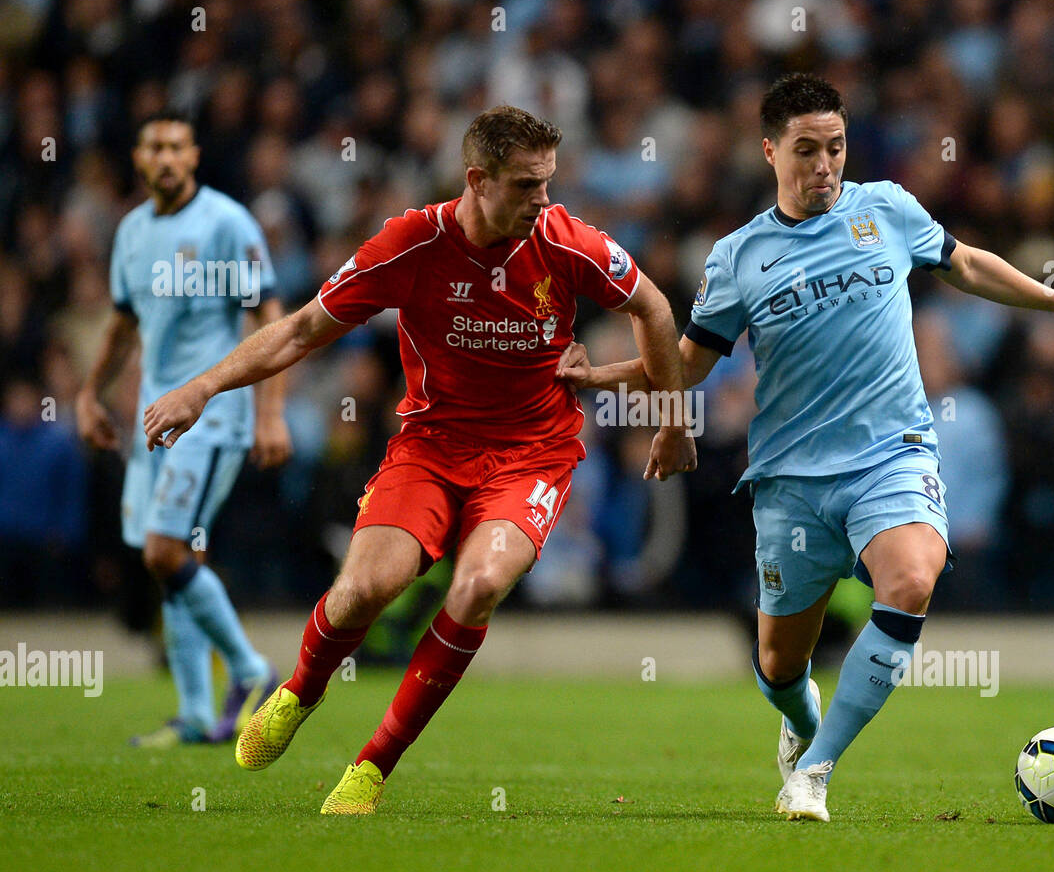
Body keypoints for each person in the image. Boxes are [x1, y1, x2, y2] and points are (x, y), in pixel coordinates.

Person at [561, 73, 1054, 821]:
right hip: (792, 480)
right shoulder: (738, 257)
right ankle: (800, 719)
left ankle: (815, 769)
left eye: (835, 147)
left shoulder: (887, 209)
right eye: (806, 150)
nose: (825, 165)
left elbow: (965, 262)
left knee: (909, 582)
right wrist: (595, 376)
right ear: (770, 151)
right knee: (778, 667)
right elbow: (686, 364)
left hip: (890, 457)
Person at [142, 105, 695, 814]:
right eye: (527, 186)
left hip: (531, 454)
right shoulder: (413, 242)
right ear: (478, 179)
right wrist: (202, 388)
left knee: (478, 585)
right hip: (430, 449)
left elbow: (653, 308)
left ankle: (371, 767)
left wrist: (673, 424)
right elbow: (304, 328)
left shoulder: (568, 242)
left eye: (548, 182)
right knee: (362, 592)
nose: (544, 201)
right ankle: (298, 692)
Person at [77, 110, 289, 747]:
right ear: (139, 160)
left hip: (210, 417)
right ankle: (197, 713)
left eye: (176, 146)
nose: (166, 157)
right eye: (153, 147)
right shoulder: (132, 232)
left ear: (194, 156)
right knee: (174, 564)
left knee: (165, 552)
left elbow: (270, 315)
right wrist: (88, 394)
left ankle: (252, 670)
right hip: (152, 417)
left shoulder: (226, 223)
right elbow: (122, 325)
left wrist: (270, 412)